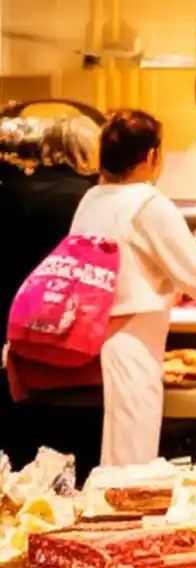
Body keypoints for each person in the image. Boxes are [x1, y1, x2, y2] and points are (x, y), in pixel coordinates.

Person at [66, 110, 196, 467]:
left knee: (103, 460)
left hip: (87, 343)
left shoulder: (92, 199)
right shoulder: (148, 203)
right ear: (152, 155)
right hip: (132, 342)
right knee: (131, 462)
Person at [0, 116, 102, 476]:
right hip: (71, 341)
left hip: (15, 331)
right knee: (79, 448)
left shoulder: (12, 192)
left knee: (21, 447)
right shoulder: (89, 198)